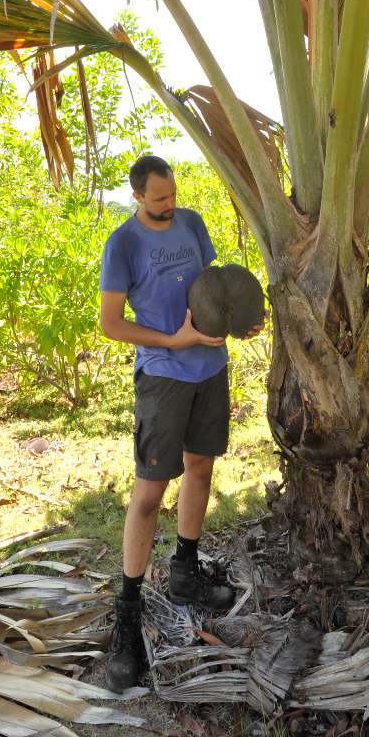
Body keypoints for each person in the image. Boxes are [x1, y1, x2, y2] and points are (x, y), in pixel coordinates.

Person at [98, 154, 263, 692]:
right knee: (148, 493)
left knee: (200, 470)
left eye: (172, 195)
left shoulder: (192, 222)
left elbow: (212, 290)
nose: (169, 205)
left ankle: (185, 570)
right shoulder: (122, 244)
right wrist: (173, 341)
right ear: (138, 196)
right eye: (159, 199)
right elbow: (111, 324)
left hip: (210, 373)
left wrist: (241, 323)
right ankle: (128, 610)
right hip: (164, 376)